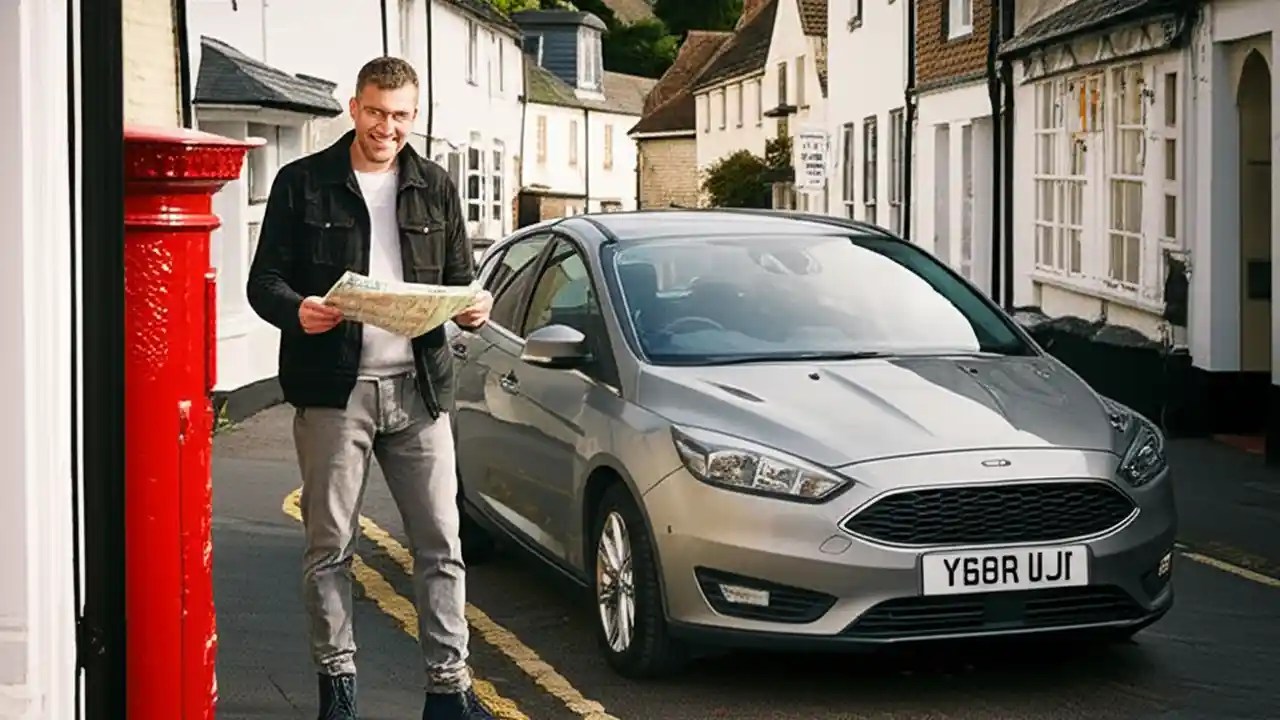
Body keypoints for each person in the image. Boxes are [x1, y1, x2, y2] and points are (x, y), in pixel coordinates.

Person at [246, 56, 495, 720]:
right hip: (335, 390)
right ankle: (339, 690)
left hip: (419, 391)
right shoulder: (303, 184)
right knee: (330, 548)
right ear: (354, 108)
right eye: (378, 112)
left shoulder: (436, 186)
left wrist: (474, 307)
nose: (389, 127)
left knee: (441, 542)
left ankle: (449, 692)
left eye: (402, 115)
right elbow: (262, 282)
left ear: (416, 115)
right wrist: (296, 308)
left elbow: (461, 279)